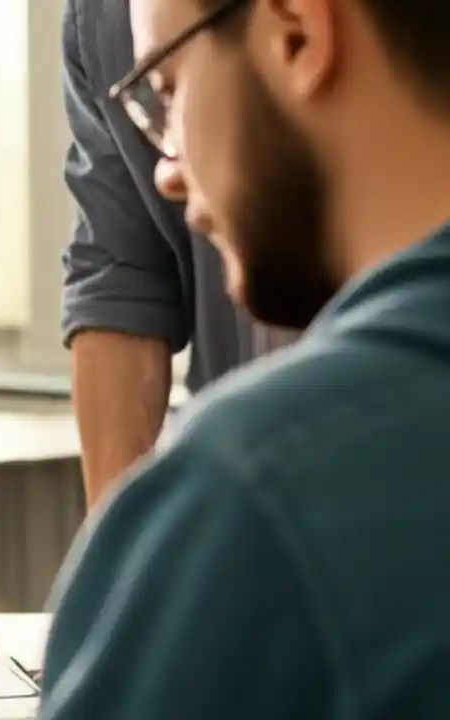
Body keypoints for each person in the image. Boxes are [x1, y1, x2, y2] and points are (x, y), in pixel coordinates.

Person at [40, 0, 450, 718]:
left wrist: (162, 581)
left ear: (296, 33)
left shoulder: (258, 496)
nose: (165, 171)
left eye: (168, 89)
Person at [59, 0, 299, 507]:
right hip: (235, 501)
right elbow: (119, 277)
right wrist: (119, 568)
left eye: (171, 89)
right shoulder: (98, 18)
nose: (169, 177)